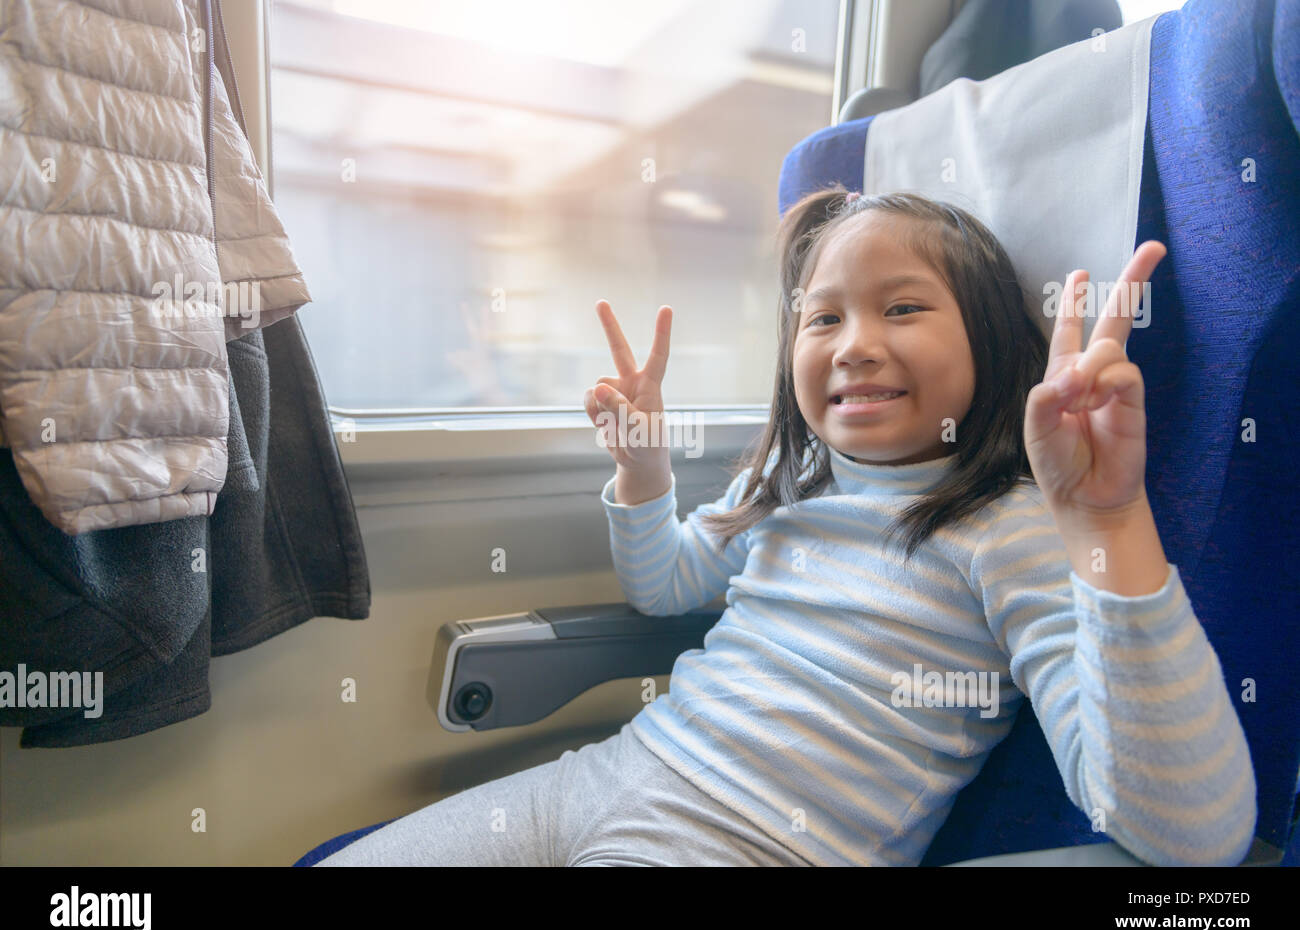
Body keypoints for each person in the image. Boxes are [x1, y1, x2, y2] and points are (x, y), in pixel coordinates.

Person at [316, 188, 1255, 866]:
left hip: (749, 837)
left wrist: (1111, 520)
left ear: (992, 343)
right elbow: (666, 586)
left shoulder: (1008, 528)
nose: (852, 344)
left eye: (902, 308)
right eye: (821, 318)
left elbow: (1191, 837)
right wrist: (644, 473)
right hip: (603, 775)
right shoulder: (787, 481)